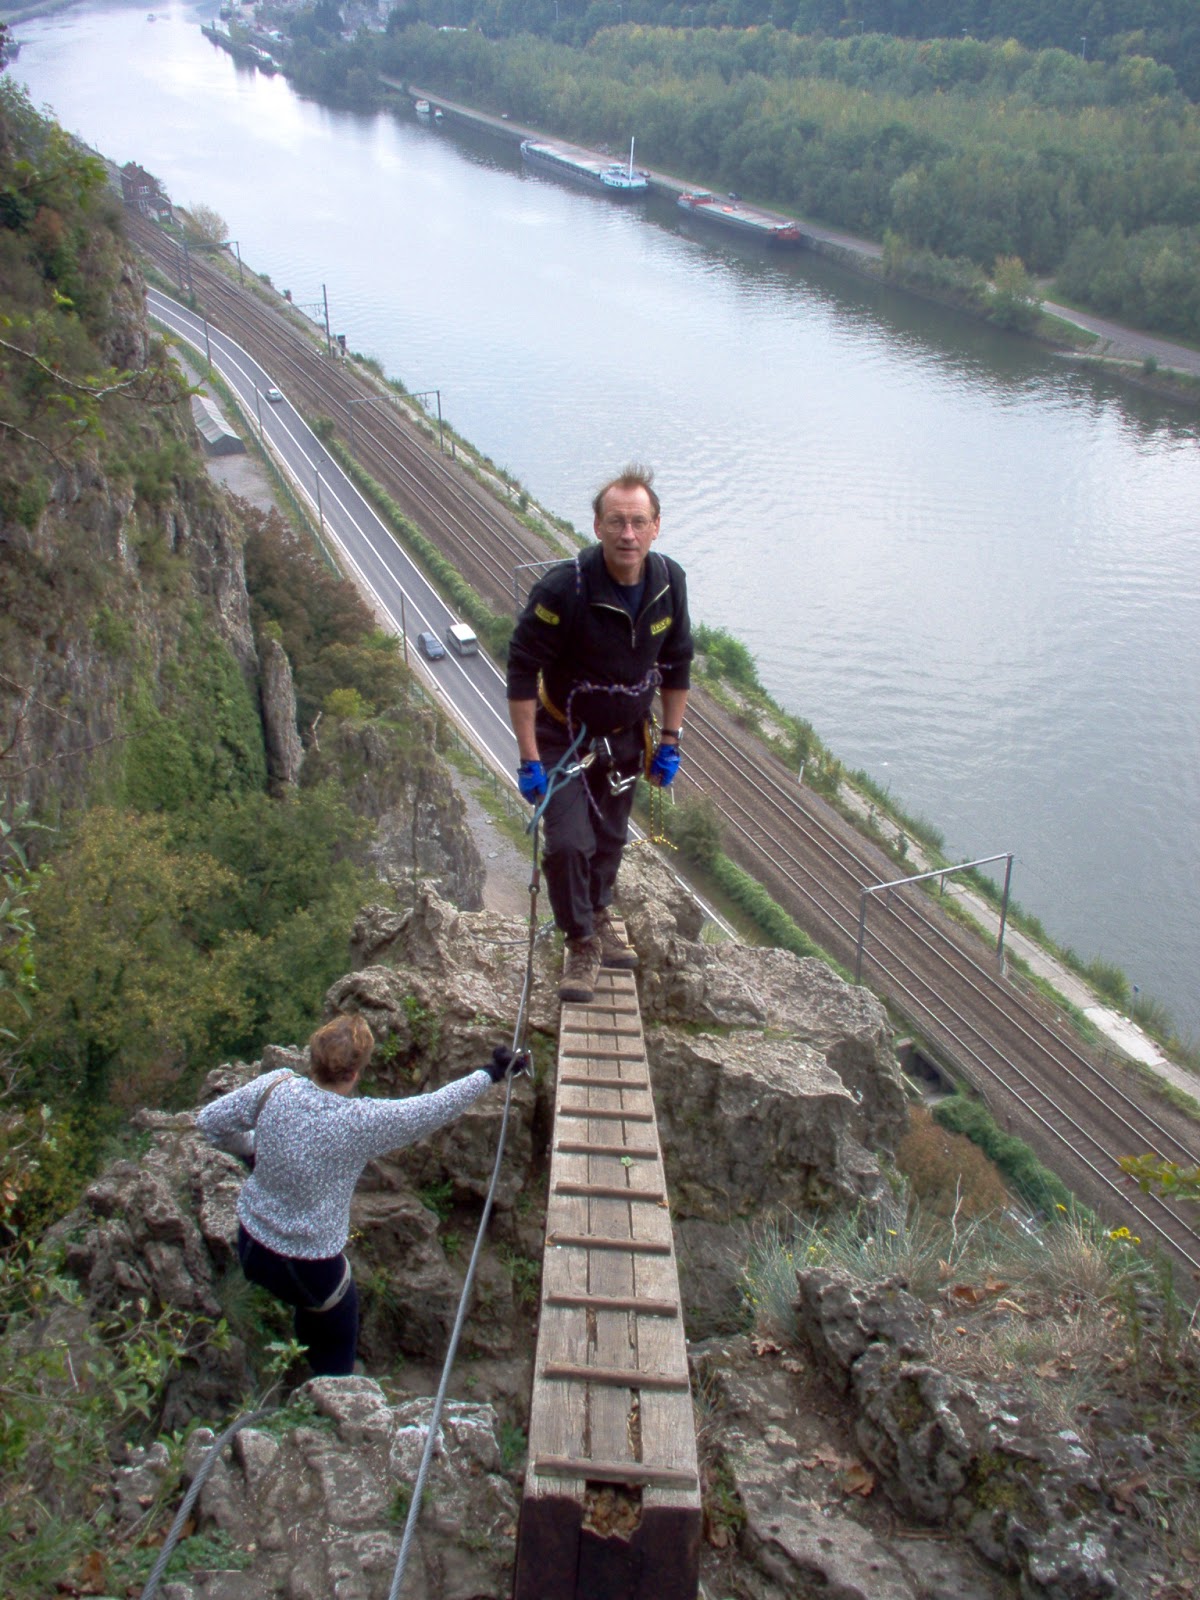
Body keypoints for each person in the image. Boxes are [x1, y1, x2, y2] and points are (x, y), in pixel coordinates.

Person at [196, 1012, 526, 1378]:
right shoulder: (359, 1121)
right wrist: (490, 1074)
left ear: (313, 1057)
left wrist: (253, 1147)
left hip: (249, 1243)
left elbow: (210, 1123)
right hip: (306, 1262)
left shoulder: (275, 1086)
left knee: (312, 1304)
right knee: (337, 1314)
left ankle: (297, 1360)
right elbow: (433, 1108)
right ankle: (331, 1398)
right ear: (355, 1073)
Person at [506, 464, 692, 1004]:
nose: (627, 534)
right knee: (568, 844)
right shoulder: (566, 589)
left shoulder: (668, 583)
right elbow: (521, 668)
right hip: (564, 736)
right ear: (597, 525)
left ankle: (601, 908)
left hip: (626, 738)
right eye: (617, 522)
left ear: (656, 526)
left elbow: (677, 664)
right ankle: (582, 940)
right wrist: (529, 757)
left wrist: (672, 739)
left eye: (638, 522)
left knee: (609, 839)